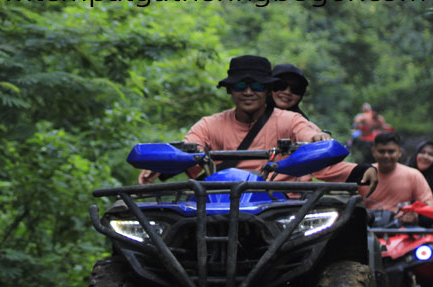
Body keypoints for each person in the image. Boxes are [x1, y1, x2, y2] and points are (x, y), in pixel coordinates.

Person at [138, 55, 375, 188]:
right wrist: (162, 164)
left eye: (257, 86)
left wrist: (318, 140)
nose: (248, 92)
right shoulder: (209, 124)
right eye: (241, 86)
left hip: (281, 206)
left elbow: (307, 134)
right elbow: (190, 147)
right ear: (230, 90)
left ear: (267, 90)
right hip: (214, 205)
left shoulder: (290, 120)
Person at [365, 131, 433, 224]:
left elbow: (430, 204)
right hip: (366, 228)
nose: (386, 156)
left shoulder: (413, 175)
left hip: (402, 229)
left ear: (399, 152)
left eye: (391, 151)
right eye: (382, 151)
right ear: (374, 151)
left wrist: (417, 214)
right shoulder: (363, 173)